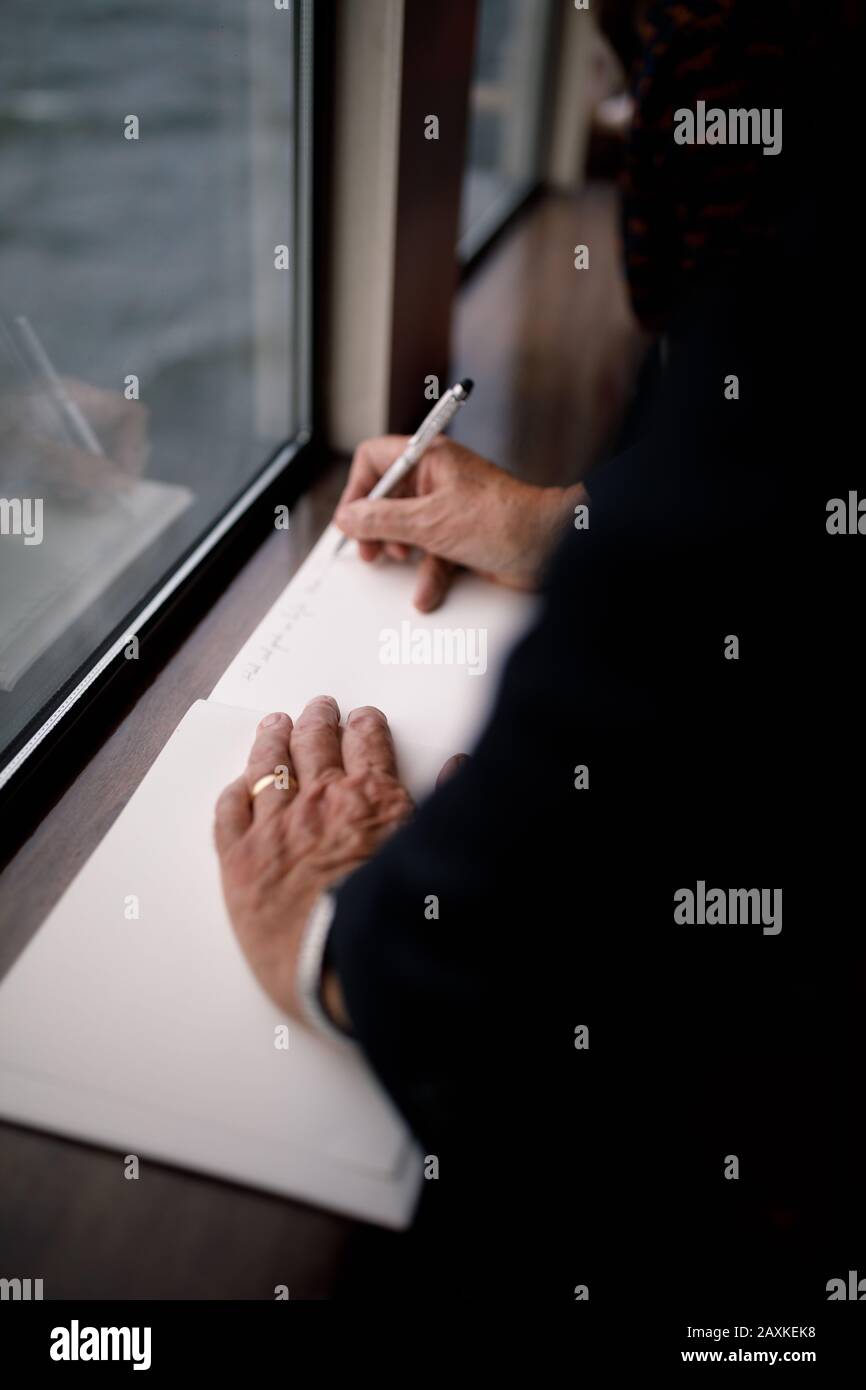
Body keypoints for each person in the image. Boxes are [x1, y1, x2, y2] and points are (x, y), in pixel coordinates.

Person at [214, 5, 861, 1302]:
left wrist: (328, 939)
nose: (631, 113)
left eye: (649, 68)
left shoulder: (802, 285)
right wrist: (558, 525)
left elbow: (519, 985)